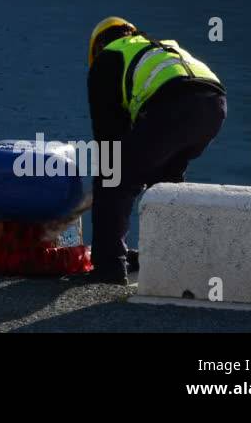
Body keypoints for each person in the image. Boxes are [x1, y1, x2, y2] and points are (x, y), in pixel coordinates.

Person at [87, 17, 227, 285]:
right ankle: (168, 261)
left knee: (113, 177)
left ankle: (109, 267)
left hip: (173, 104)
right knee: (166, 183)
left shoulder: (108, 59)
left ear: (98, 47)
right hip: (214, 105)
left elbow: (108, 141)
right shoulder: (157, 48)